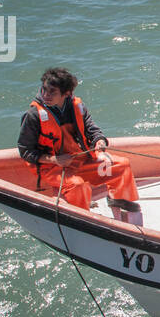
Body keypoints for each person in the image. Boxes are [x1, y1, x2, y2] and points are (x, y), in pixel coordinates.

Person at [17, 67, 142, 223]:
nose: (45, 95)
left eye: (52, 92)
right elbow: (25, 151)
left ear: (66, 93)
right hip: (52, 168)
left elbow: (91, 128)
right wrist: (54, 160)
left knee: (121, 165)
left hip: (80, 159)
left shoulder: (77, 106)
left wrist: (99, 140)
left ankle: (118, 200)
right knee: (78, 186)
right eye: (44, 89)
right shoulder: (33, 116)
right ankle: (83, 218)